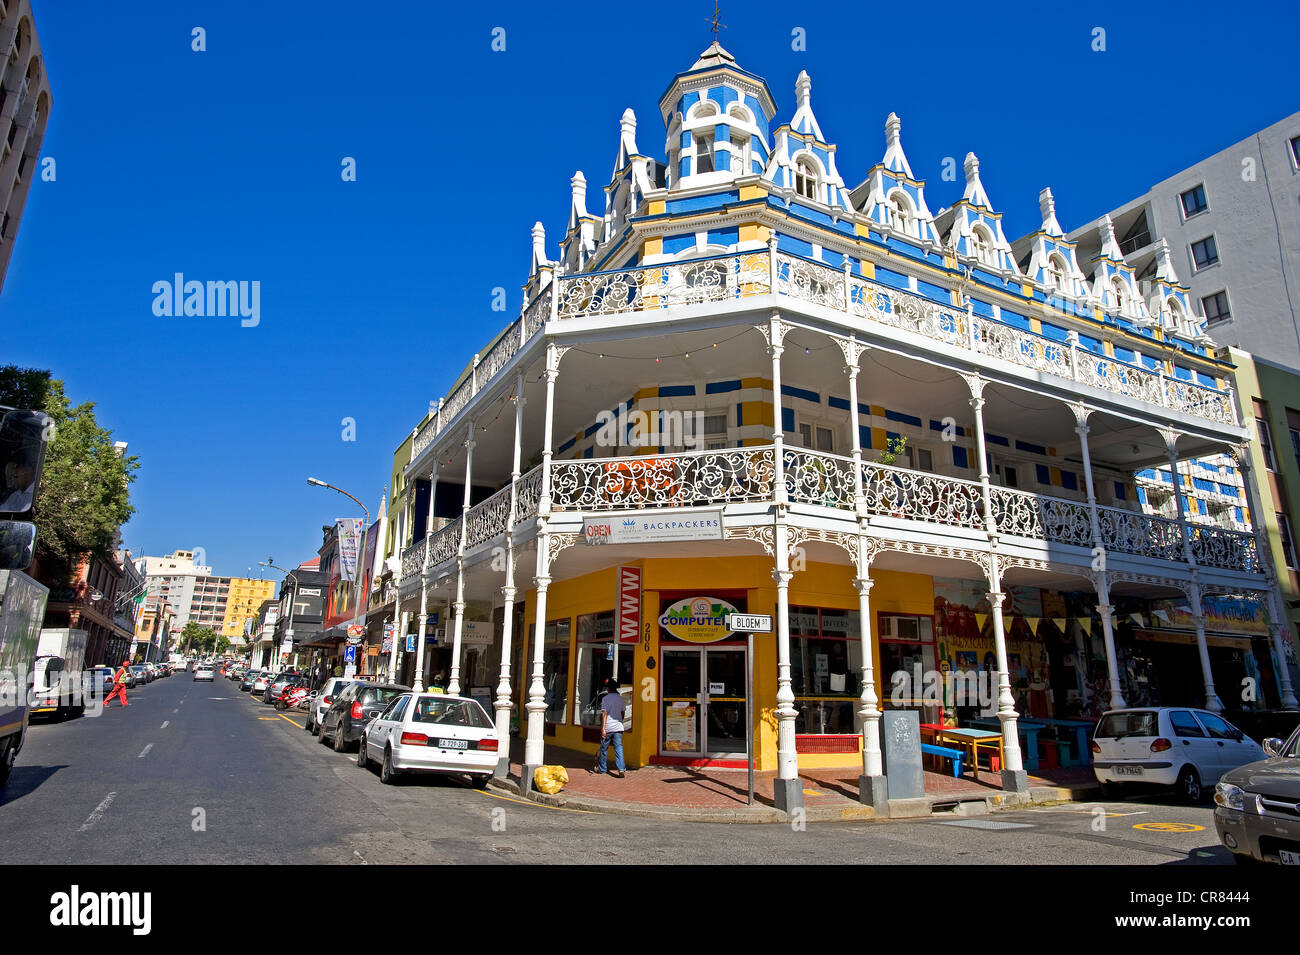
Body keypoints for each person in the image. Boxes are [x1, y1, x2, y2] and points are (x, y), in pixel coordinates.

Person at [596, 677, 626, 777]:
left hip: (609, 727)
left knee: (604, 749)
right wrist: (619, 721)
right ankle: (621, 769)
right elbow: (622, 713)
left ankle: (602, 769)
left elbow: (605, 714)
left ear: (608, 688)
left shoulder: (605, 698)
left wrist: (603, 728)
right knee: (619, 748)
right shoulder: (620, 698)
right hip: (618, 727)